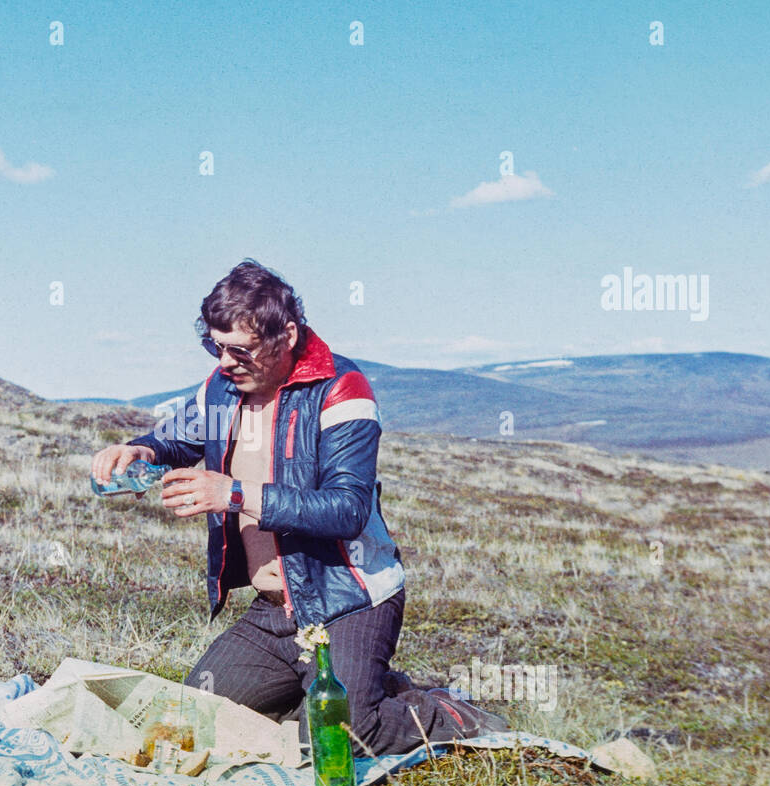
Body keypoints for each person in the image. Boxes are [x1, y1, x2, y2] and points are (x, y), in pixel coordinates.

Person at [90, 259, 507, 756]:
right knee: (194, 721)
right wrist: (144, 451)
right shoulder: (222, 386)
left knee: (345, 736)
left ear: (285, 335)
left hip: (346, 602)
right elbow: (179, 438)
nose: (224, 362)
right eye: (215, 346)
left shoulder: (342, 390)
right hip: (273, 614)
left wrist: (234, 494)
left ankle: (449, 712)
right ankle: (355, 691)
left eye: (239, 349)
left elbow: (346, 509)